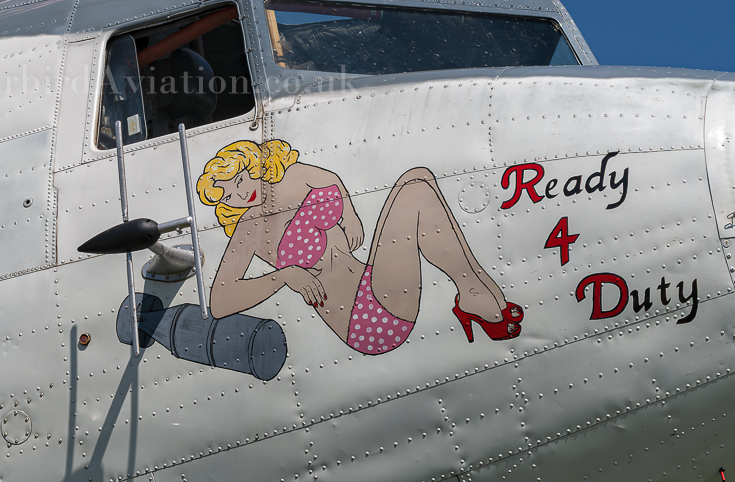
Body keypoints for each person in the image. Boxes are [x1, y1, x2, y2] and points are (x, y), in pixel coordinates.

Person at [195, 140, 522, 354]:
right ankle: (476, 294)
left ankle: (477, 293)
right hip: (363, 319)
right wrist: (285, 276)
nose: (239, 194)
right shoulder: (249, 227)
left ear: (250, 166)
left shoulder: (294, 176)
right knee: (415, 187)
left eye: (238, 181)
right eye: (227, 195)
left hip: (373, 284)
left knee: (418, 180)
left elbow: (331, 181)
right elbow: (220, 301)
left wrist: (349, 212)